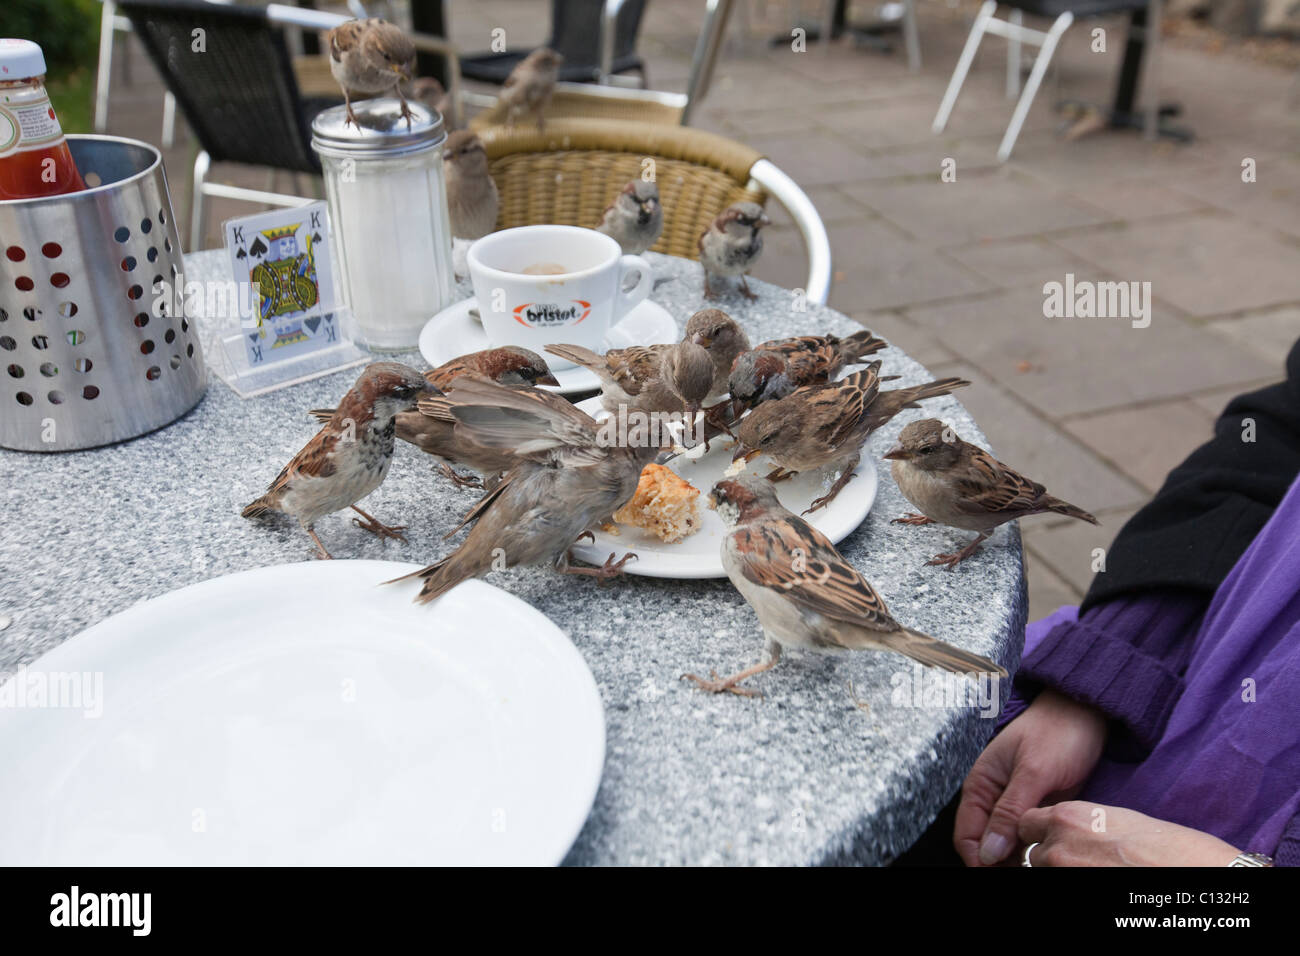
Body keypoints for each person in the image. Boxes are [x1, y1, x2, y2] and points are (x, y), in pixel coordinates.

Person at [896, 336, 1300, 867]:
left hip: (1226, 810)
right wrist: (1100, 679)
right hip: (1187, 653)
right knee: (925, 762)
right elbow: (1271, 440)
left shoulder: (964, 480)